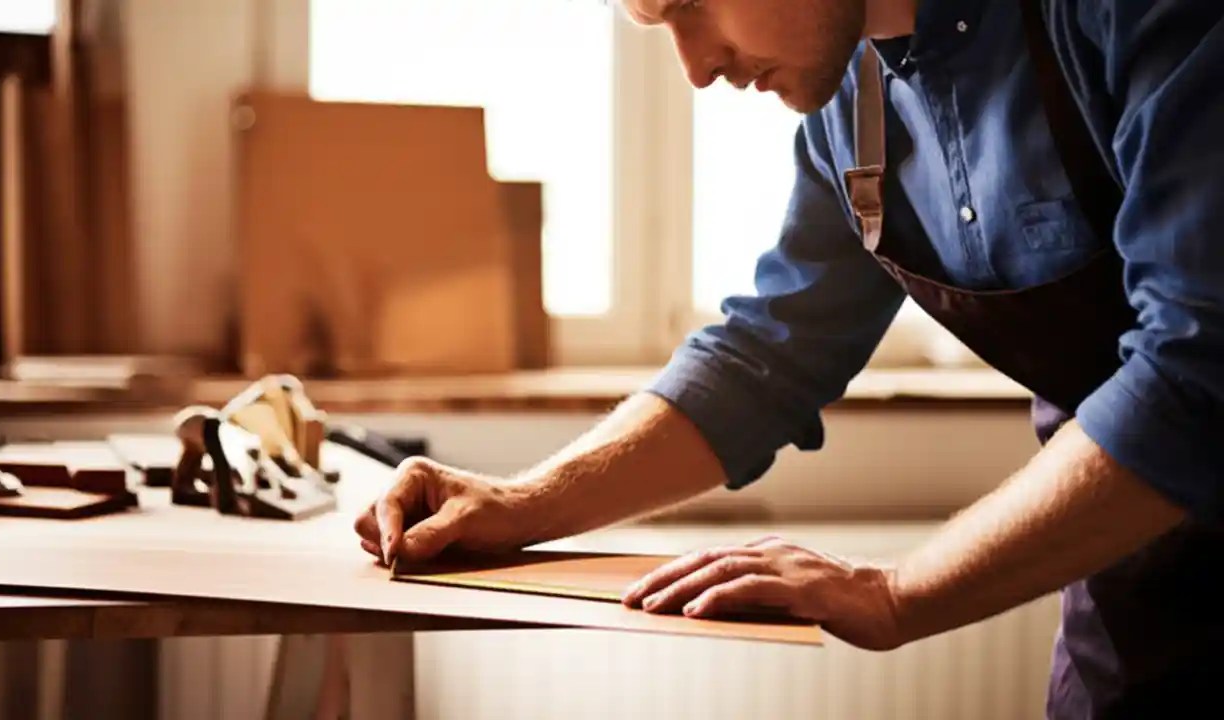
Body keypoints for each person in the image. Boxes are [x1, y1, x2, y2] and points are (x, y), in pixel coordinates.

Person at [355, 0, 1224, 716]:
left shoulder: (1141, 17)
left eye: (691, 7)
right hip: (1128, 592)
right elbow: (767, 356)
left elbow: (1196, 375)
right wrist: (520, 504)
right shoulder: (855, 103)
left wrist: (896, 594)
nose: (696, 68)